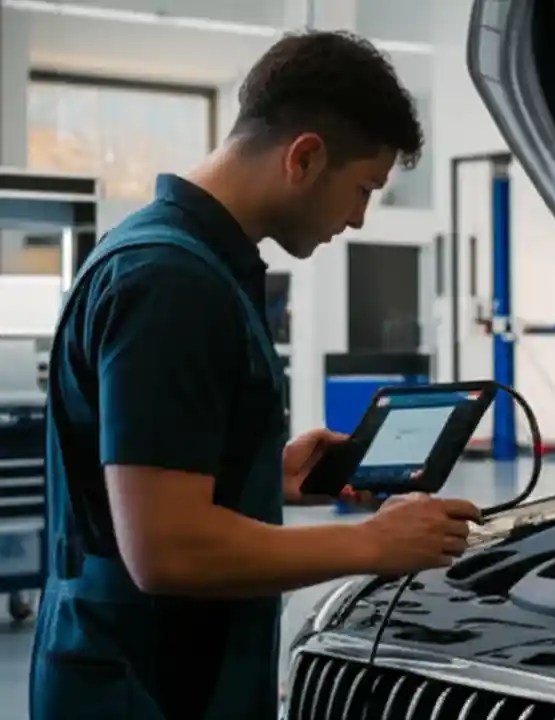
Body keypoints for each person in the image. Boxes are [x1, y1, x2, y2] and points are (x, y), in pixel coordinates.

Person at [29, 30, 480, 720]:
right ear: (305, 156)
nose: (357, 219)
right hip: (148, 689)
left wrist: (265, 475)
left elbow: (135, 474)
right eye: (362, 190)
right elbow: (166, 550)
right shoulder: (172, 282)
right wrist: (372, 543)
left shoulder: (170, 259)